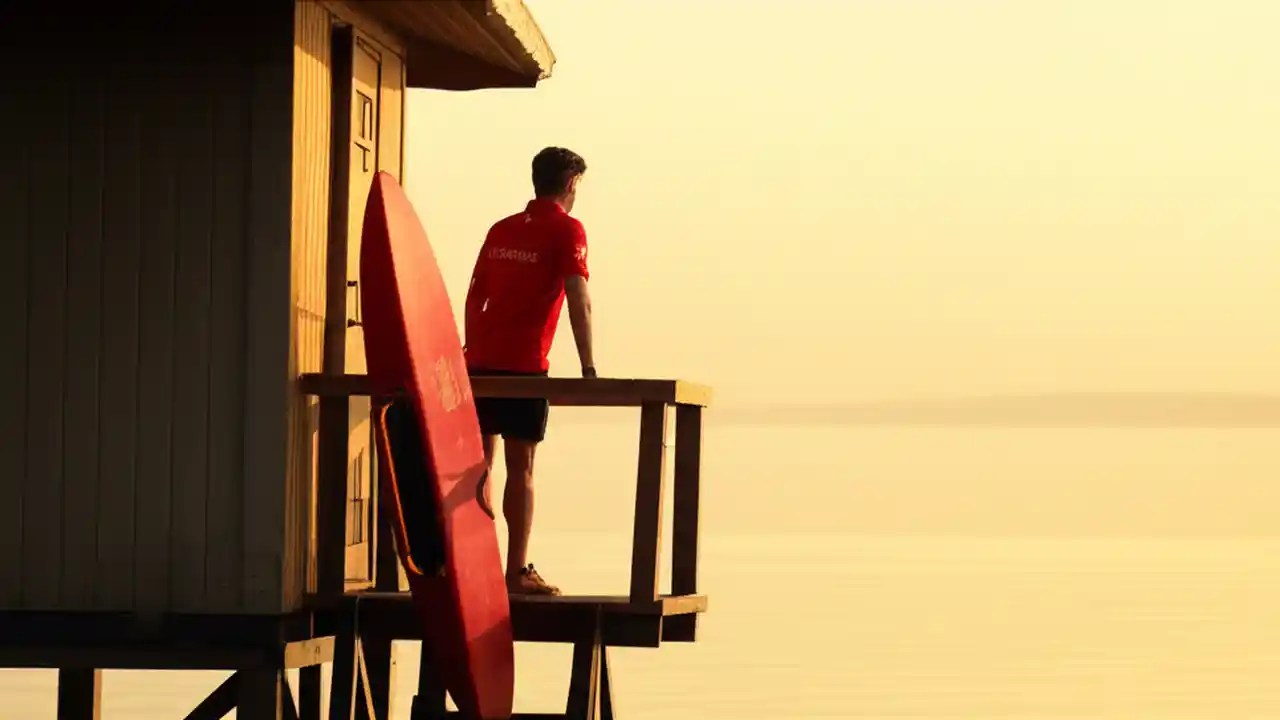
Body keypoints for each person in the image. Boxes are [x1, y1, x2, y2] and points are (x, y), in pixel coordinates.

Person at [463, 146, 596, 596]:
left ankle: (471, 565)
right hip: (524, 366)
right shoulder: (567, 229)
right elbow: (579, 298)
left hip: (479, 363)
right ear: (571, 184)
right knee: (521, 467)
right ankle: (515, 571)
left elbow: (474, 295)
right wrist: (588, 366)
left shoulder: (501, 229)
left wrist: (471, 349)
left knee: (479, 467)